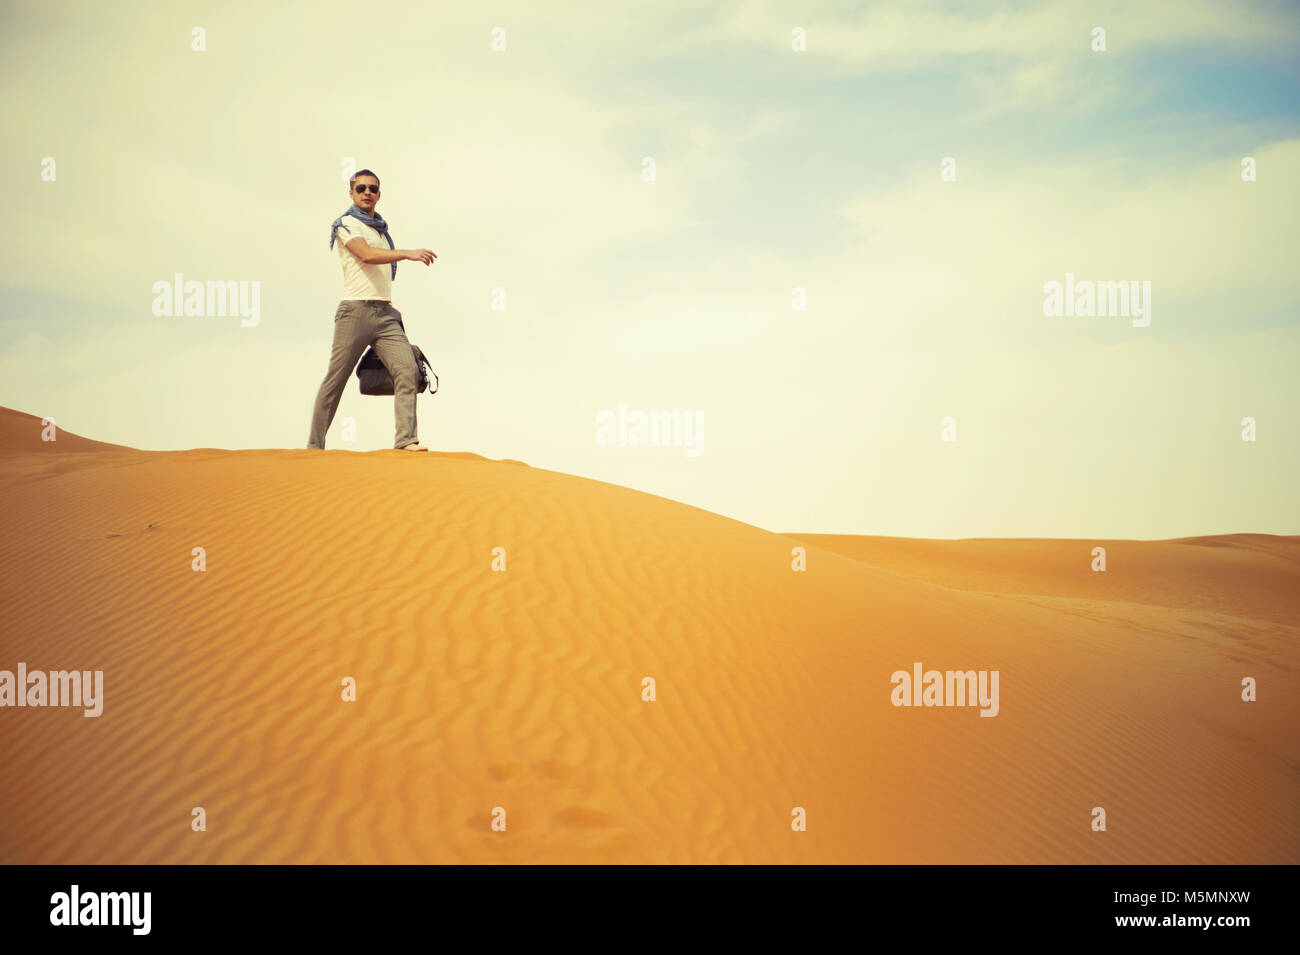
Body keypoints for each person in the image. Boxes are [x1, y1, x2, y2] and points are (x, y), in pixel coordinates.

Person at [306, 168, 437, 451]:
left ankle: (405, 440)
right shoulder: (346, 224)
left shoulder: (380, 230)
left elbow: (378, 270)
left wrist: (388, 303)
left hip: (385, 314)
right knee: (336, 378)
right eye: (362, 188)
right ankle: (314, 448)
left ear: (379, 195)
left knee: (408, 371)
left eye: (373, 189)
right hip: (355, 312)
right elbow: (365, 255)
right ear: (351, 193)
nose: (368, 193)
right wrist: (407, 253)